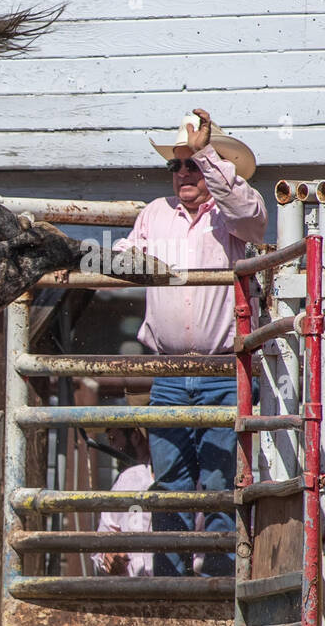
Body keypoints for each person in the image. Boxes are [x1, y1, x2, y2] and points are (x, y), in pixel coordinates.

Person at [114, 109, 265, 576]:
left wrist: (205, 152)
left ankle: (219, 588)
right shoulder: (155, 214)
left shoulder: (234, 215)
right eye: (176, 165)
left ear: (215, 168)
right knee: (170, 486)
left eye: (192, 164)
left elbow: (251, 215)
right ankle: (172, 587)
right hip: (170, 372)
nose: (182, 173)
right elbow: (121, 261)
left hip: (223, 370)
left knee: (221, 485)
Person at [92, 427, 155, 577]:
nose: (113, 449)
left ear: (135, 436)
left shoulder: (194, 485)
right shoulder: (127, 479)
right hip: (130, 590)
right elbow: (104, 537)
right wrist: (108, 556)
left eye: (113, 439)